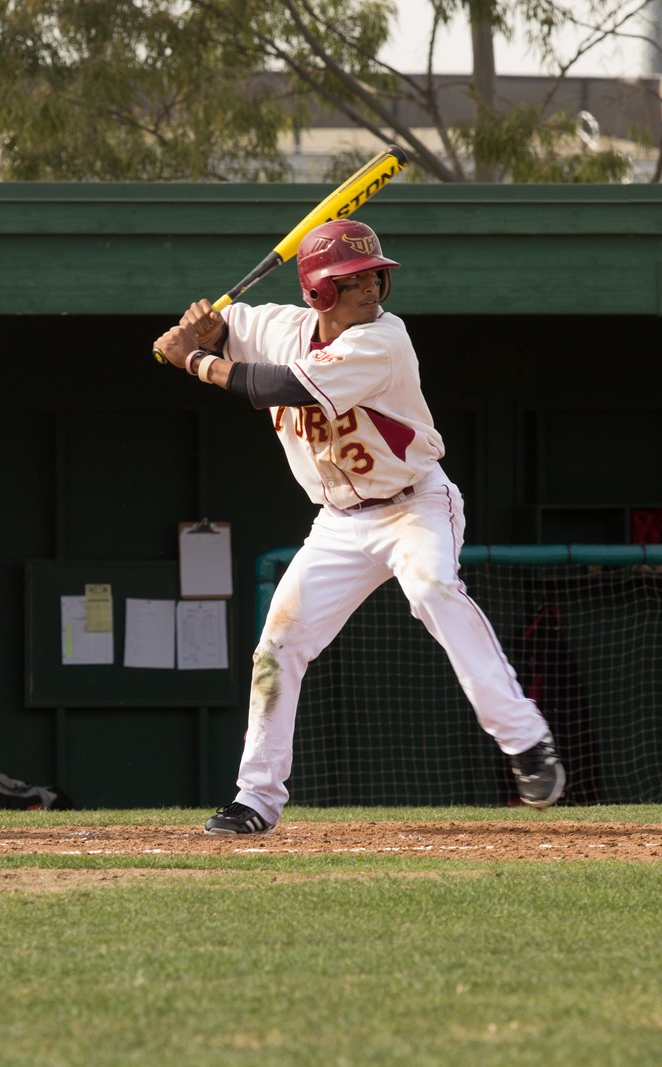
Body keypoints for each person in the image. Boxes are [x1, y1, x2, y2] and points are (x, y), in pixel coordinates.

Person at [151, 219, 565, 835]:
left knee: (432, 591)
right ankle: (255, 798)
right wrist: (201, 331)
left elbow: (277, 385)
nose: (371, 288)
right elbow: (225, 330)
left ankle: (526, 740)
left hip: (414, 505)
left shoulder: (384, 340)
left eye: (375, 276)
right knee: (278, 646)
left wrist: (194, 360)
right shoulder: (275, 327)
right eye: (353, 280)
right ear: (318, 292)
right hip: (338, 523)